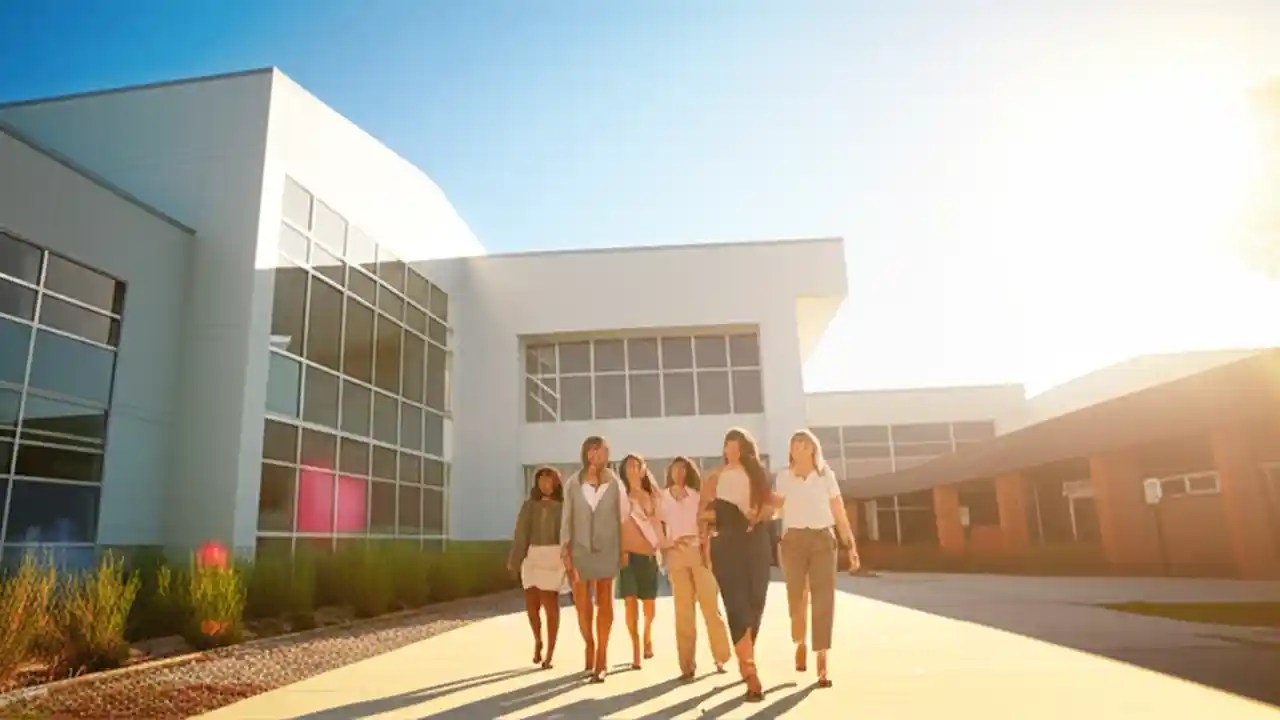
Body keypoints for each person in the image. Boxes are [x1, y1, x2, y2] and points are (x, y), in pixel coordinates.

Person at [774, 429, 859, 688]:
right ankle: (800, 640)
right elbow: (775, 509)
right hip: (793, 542)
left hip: (823, 539)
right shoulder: (784, 477)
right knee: (796, 597)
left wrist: (850, 544)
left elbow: (839, 511)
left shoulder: (826, 476)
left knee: (824, 598)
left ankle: (822, 657)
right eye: (793, 443)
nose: (796, 447)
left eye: (802, 443)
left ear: (812, 448)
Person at [700, 428, 774, 702]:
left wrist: (759, 513)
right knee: (736, 604)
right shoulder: (715, 477)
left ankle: (746, 654)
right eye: (727, 445)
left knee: (756, 601)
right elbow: (702, 513)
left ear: (745, 448)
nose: (730, 450)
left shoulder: (758, 474)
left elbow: (771, 506)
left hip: (756, 541)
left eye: (736, 445)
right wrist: (721, 515)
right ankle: (750, 670)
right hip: (726, 542)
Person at [560, 436, 628, 683]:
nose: (596, 456)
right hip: (579, 549)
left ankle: (602, 657)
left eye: (601, 451)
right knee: (582, 604)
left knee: (604, 600)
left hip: (607, 548)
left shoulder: (615, 483)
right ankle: (589, 642)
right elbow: (566, 517)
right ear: (586, 454)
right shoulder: (573, 483)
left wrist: (624, 549)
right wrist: (564, 548)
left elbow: (623, 517)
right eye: (592, 451)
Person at [658, 456, 731, 681]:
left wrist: (706, 544)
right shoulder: (661, 498)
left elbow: (710, 523)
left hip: (699, 553)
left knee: (710, 607)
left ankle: (721, 657)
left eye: (683, 469)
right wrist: (666, 547)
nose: (679, 473)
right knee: (683, 612)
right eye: (675, 469)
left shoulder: (698, 497)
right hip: (675, 555)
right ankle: (687, 666)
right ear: (670, 472)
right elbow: (657, 527)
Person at [508, 466, 566, 669]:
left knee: (550, 605)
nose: (545, 484)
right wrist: (514, 561)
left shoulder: (563, 507)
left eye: (549, 480)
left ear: (556, 483)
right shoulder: (529, 506)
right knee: (532, 606)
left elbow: (567, 535)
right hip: (532, 556)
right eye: (541, 480)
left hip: (553, 556)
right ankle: (538, 640)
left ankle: (550, 653)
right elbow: (520, 534)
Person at [617, 453, 662, 669]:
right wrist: (620, 550)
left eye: (637, 465)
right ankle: (635, 649)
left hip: (648, 556)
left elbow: (659, 524)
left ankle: (647, 634)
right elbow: (616, 526)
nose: (633, 469)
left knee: (649, 605)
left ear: (644, 469)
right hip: (628, 556)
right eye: (629, 466)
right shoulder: (620, 496)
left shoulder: (652, 496)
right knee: (630, 601)